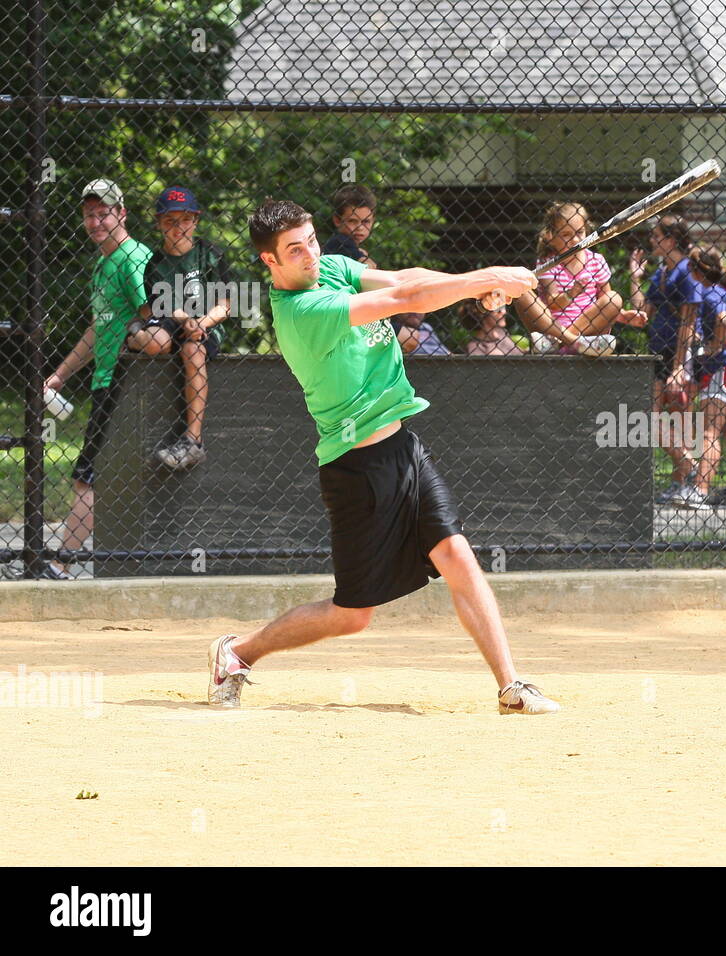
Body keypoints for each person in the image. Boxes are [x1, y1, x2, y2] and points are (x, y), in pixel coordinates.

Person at [206, 199, 558, 714]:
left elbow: (405, 276)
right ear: (270, 263)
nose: (309, 255)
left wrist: (478, 285)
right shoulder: (302, 313)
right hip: (356, 468)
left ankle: (511, 685)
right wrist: (488, 276)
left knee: (457, 555)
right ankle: (237, 652)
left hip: (403, 447)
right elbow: (407, 298)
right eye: (294, 250)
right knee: (353, 615)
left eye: (311, 241)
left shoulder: (329, 268)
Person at [41, 180, 154, 579]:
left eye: (103, 212)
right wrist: (60, 374)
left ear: (121, 213)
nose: (96, 220)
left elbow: (151, 317)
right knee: (94, 474)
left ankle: (61, 563)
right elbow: (96, 328)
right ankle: (65, 561)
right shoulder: (103, 263)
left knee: (87, 475)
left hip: (125, 380)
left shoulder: (132, 259)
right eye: (90, 214)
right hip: (105, 379)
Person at [128, 186, 231, 470]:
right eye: (170, 221)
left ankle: (192, 441)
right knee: (156, 343)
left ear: (196, 220)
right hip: (171, 321)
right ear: (159, 223)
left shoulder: (210, 255)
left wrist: (202, 323)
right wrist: (186, 319)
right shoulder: (155, 265)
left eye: (185, 220)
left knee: (193, 349)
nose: (179, 227)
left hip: (205, 326)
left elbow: (225, 306)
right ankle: (134, 334)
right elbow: (164, 306)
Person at [628, 215, 703, 504]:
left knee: (678, 418)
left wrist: (677, 369)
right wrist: (635, 278)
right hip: (661, 351)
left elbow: (688, 321)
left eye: (655, 235)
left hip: (680, 354)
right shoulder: (662, 273)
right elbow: (641, 314)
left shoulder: (686, 271)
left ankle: (684, 478)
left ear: (670, 240)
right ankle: (687, 470)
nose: (651, 239)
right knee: (656, 418)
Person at [509, 201, 645, 355]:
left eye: (579, 232)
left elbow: (605, 299)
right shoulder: (548, 261)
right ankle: (569, 342)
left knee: (614, 298)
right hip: (551, 329)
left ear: (587, 231)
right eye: (566, 234)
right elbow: (553, 303)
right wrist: (571, 294)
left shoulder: (596, 261)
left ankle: (559, 344)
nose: (575, 240)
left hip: (587, 331)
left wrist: (623, 315)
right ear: (550, 237)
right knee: (520, 291)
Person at [682, 247, 726, 509]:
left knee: (710, 431)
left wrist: (714, 346)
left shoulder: (710, 293)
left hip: (720, 369)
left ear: (695, 270)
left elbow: (723, 320)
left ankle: (700, 490)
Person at [320, 185, 378, 266]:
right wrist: (365, 258)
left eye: (366, 221)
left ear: (373, 221)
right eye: (352, 221)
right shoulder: (340, 242)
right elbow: (368, 266)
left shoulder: (349, 245)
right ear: (337, 220)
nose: (360, 228)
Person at [460, 301, 525, 355]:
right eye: (498, 310)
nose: (504, 312)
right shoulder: (474, 347)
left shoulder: (502, 334)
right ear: (481, 314)